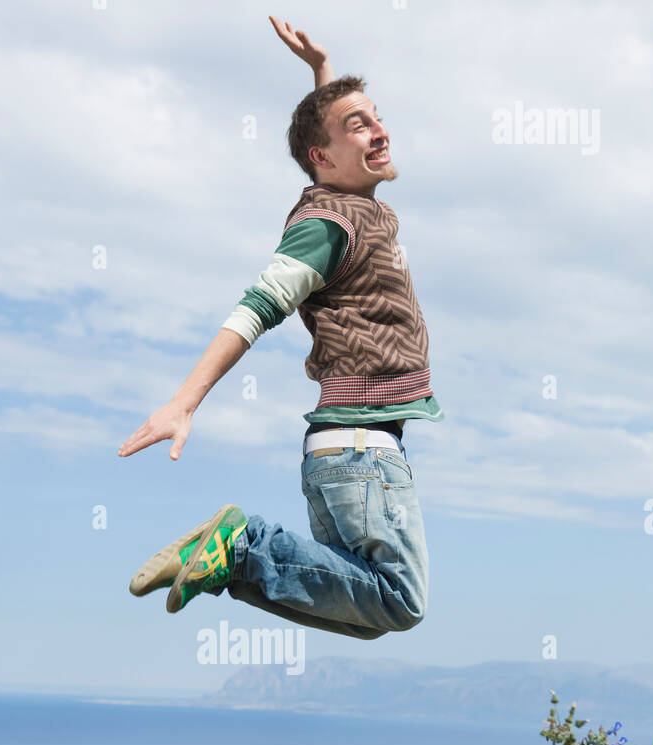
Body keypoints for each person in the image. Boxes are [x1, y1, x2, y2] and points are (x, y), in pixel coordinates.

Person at [117, 16, 443, 639]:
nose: (380, 131)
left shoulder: (353, 205)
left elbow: (327, 144)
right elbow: (259, 305)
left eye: (377, 117)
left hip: (349, 454)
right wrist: (183, 403)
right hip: (360, 452)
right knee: (399, 602)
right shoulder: (326, 224)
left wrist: (322, 74)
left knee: (369, 613)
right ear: (324, 157)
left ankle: (225, 562)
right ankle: (239, 548)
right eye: (360, 125)